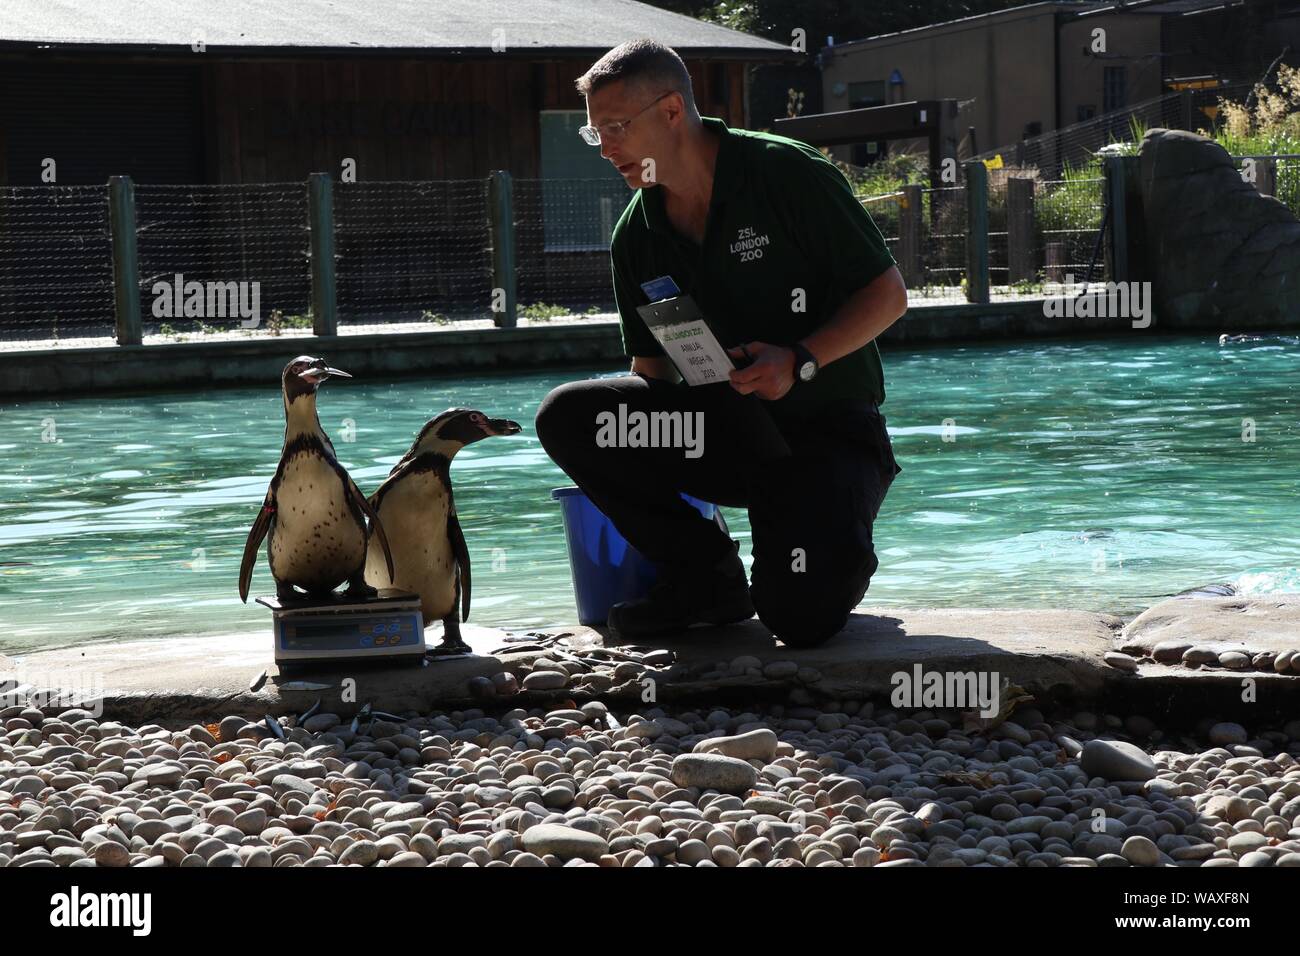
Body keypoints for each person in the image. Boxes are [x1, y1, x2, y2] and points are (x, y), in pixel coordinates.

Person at [535, 38, 906, 647]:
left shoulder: (788, 173)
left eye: (617, 127)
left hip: (826, 431)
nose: (605, 148)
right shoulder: (636, 236)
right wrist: (627, 469)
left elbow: (888, 296)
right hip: (727, 437)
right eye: (593, 133)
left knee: (800, 619)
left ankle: (829, 538)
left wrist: (799, 358)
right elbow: (651, 377)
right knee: (574, 416)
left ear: (673, 111)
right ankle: (705, 577)